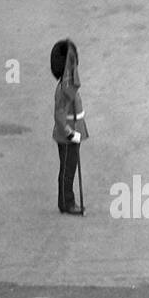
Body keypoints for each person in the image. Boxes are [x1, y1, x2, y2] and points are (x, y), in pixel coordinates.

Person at [52, 39, 88, 216]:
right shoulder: (63, 90)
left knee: (68, 169)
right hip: (68, 137)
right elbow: (59, 116)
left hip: (74, 133)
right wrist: (70, 134)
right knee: (67, 170)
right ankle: (67, 202)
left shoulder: (68, 86)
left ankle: (65, 201)